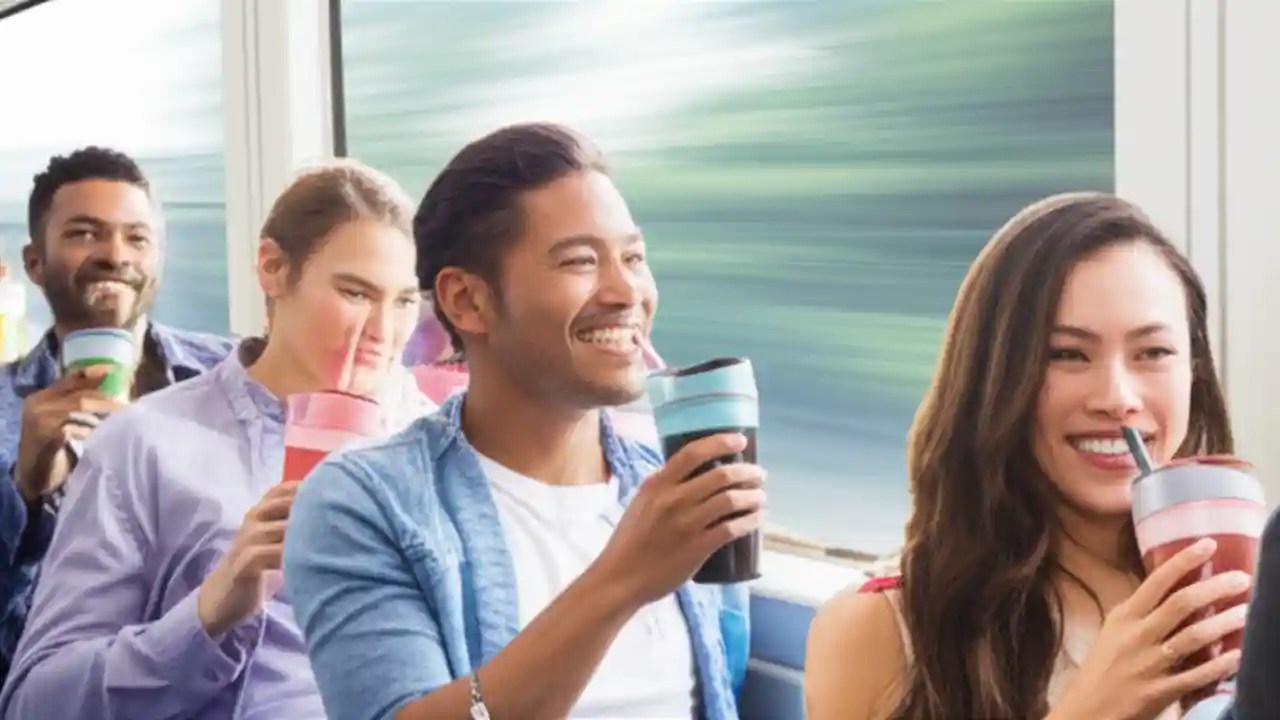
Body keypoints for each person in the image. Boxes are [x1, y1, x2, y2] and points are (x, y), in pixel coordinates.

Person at [283, 123, 762, 720]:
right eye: (581, 260)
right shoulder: (362, 504)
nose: (626, 291)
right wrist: (621, 581)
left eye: (634, 257)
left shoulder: (670, 492)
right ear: (466, 301)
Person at [0, 159, 434, 719]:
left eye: (403, 301)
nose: (383, 333)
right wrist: (209, 612)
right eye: (354, 293)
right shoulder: (147, 441)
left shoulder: (438, 440)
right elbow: (35, 705)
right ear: (272, 267)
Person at [805, 193, 1245, 720]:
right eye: (1067, 354)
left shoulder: (1248, 591)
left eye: (1153, 352)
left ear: (1193, 370)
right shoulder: (876, 628)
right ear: (994, 376)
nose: (1117, 397)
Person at [0, 147, 233, 681]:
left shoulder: (229, 376)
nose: (115, 254)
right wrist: (26, 495)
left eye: (137, 237)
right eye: (84, 233)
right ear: (35, 262)